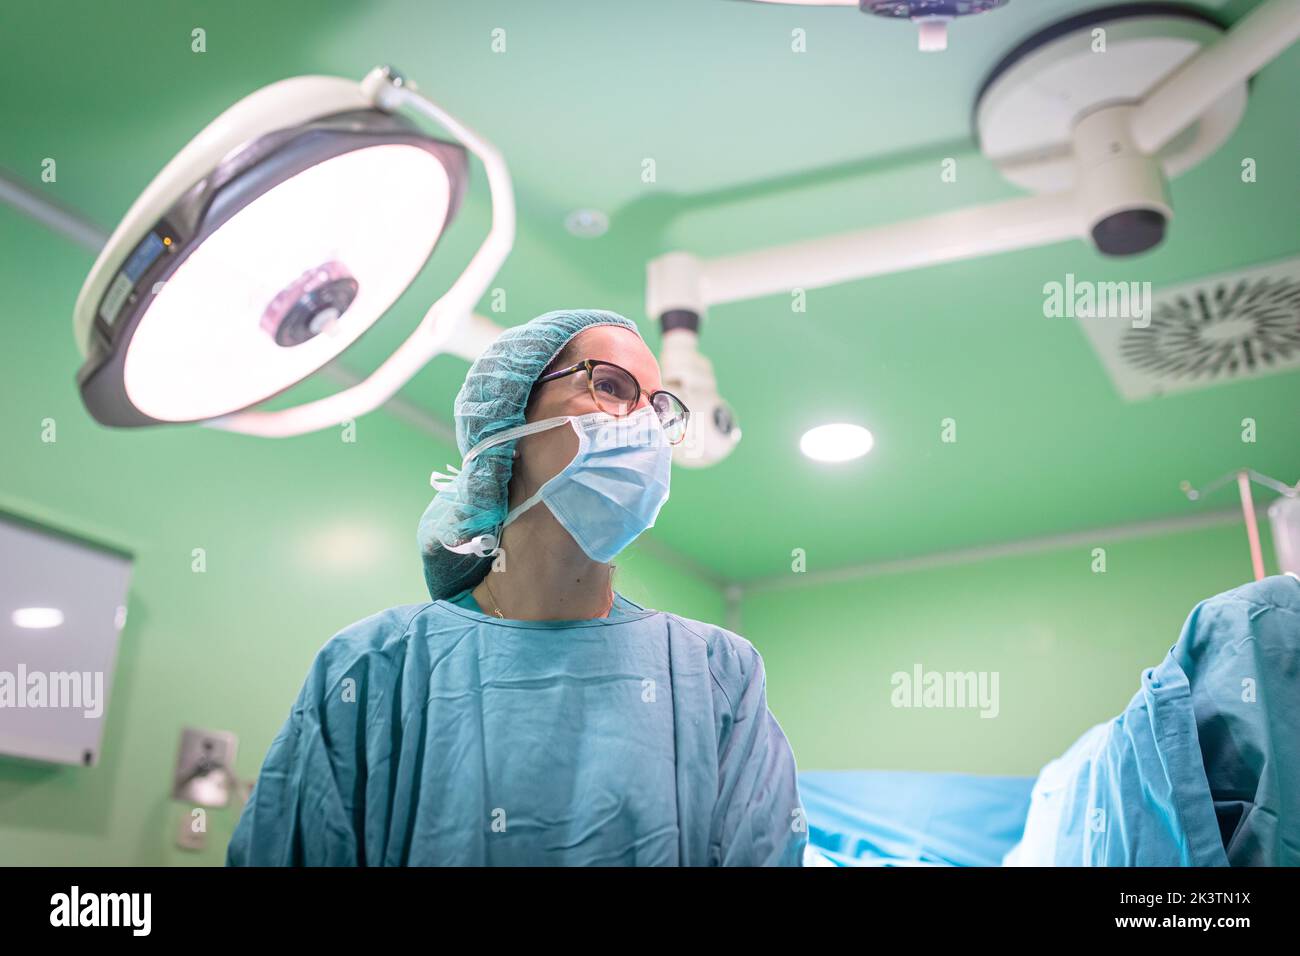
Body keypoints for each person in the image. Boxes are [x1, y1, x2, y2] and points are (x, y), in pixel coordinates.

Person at [227, 308, 807, 866]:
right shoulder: (377, 668)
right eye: (610, 385)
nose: (645, 429)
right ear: (510, 422)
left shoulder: (713, 674)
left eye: (660, 411)